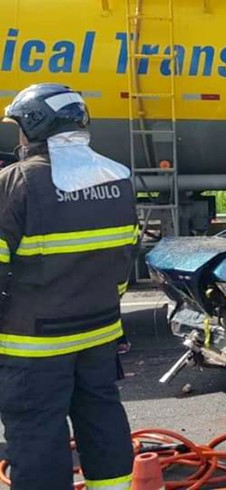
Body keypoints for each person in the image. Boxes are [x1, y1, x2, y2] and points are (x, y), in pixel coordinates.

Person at [0, 84, 138, 489]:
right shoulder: (120, 178)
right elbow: (123, 264)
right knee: (102, 416)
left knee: (37, 434)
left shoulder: (16, 182)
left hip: (33, 345)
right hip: (99, 334)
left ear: (35, 127)